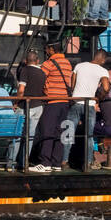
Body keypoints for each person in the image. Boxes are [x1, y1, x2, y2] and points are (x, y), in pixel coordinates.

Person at [30, 42, 74, 171]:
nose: (46, 51)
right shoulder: (67, 63)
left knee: (47, 131)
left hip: (52, 102)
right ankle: (56, 163)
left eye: (47, 49)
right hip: (65, 102)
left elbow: (40, 80)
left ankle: (45, 163)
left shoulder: (48, 64)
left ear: (52, 49)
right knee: (59, 132)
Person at [69, 49, 111, 167]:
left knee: (69, 132)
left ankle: (63, 161)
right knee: (89, 135)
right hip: (90, 105)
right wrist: (98, 98)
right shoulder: (103, 70)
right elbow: (106, 88)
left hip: (75, 102)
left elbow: (72, 85)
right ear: (103, 60)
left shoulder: (79, 65)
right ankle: (87, 163)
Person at [16, 49, 45, 168]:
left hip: (26, 106)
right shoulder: (42, 73)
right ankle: (24, 163)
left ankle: (11, 161)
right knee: (30, 136)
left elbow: (21, 90)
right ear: (37, 61)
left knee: (17, 134)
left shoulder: (25, 70)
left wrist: (15, 102)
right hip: (39, 106)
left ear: (26, 61)